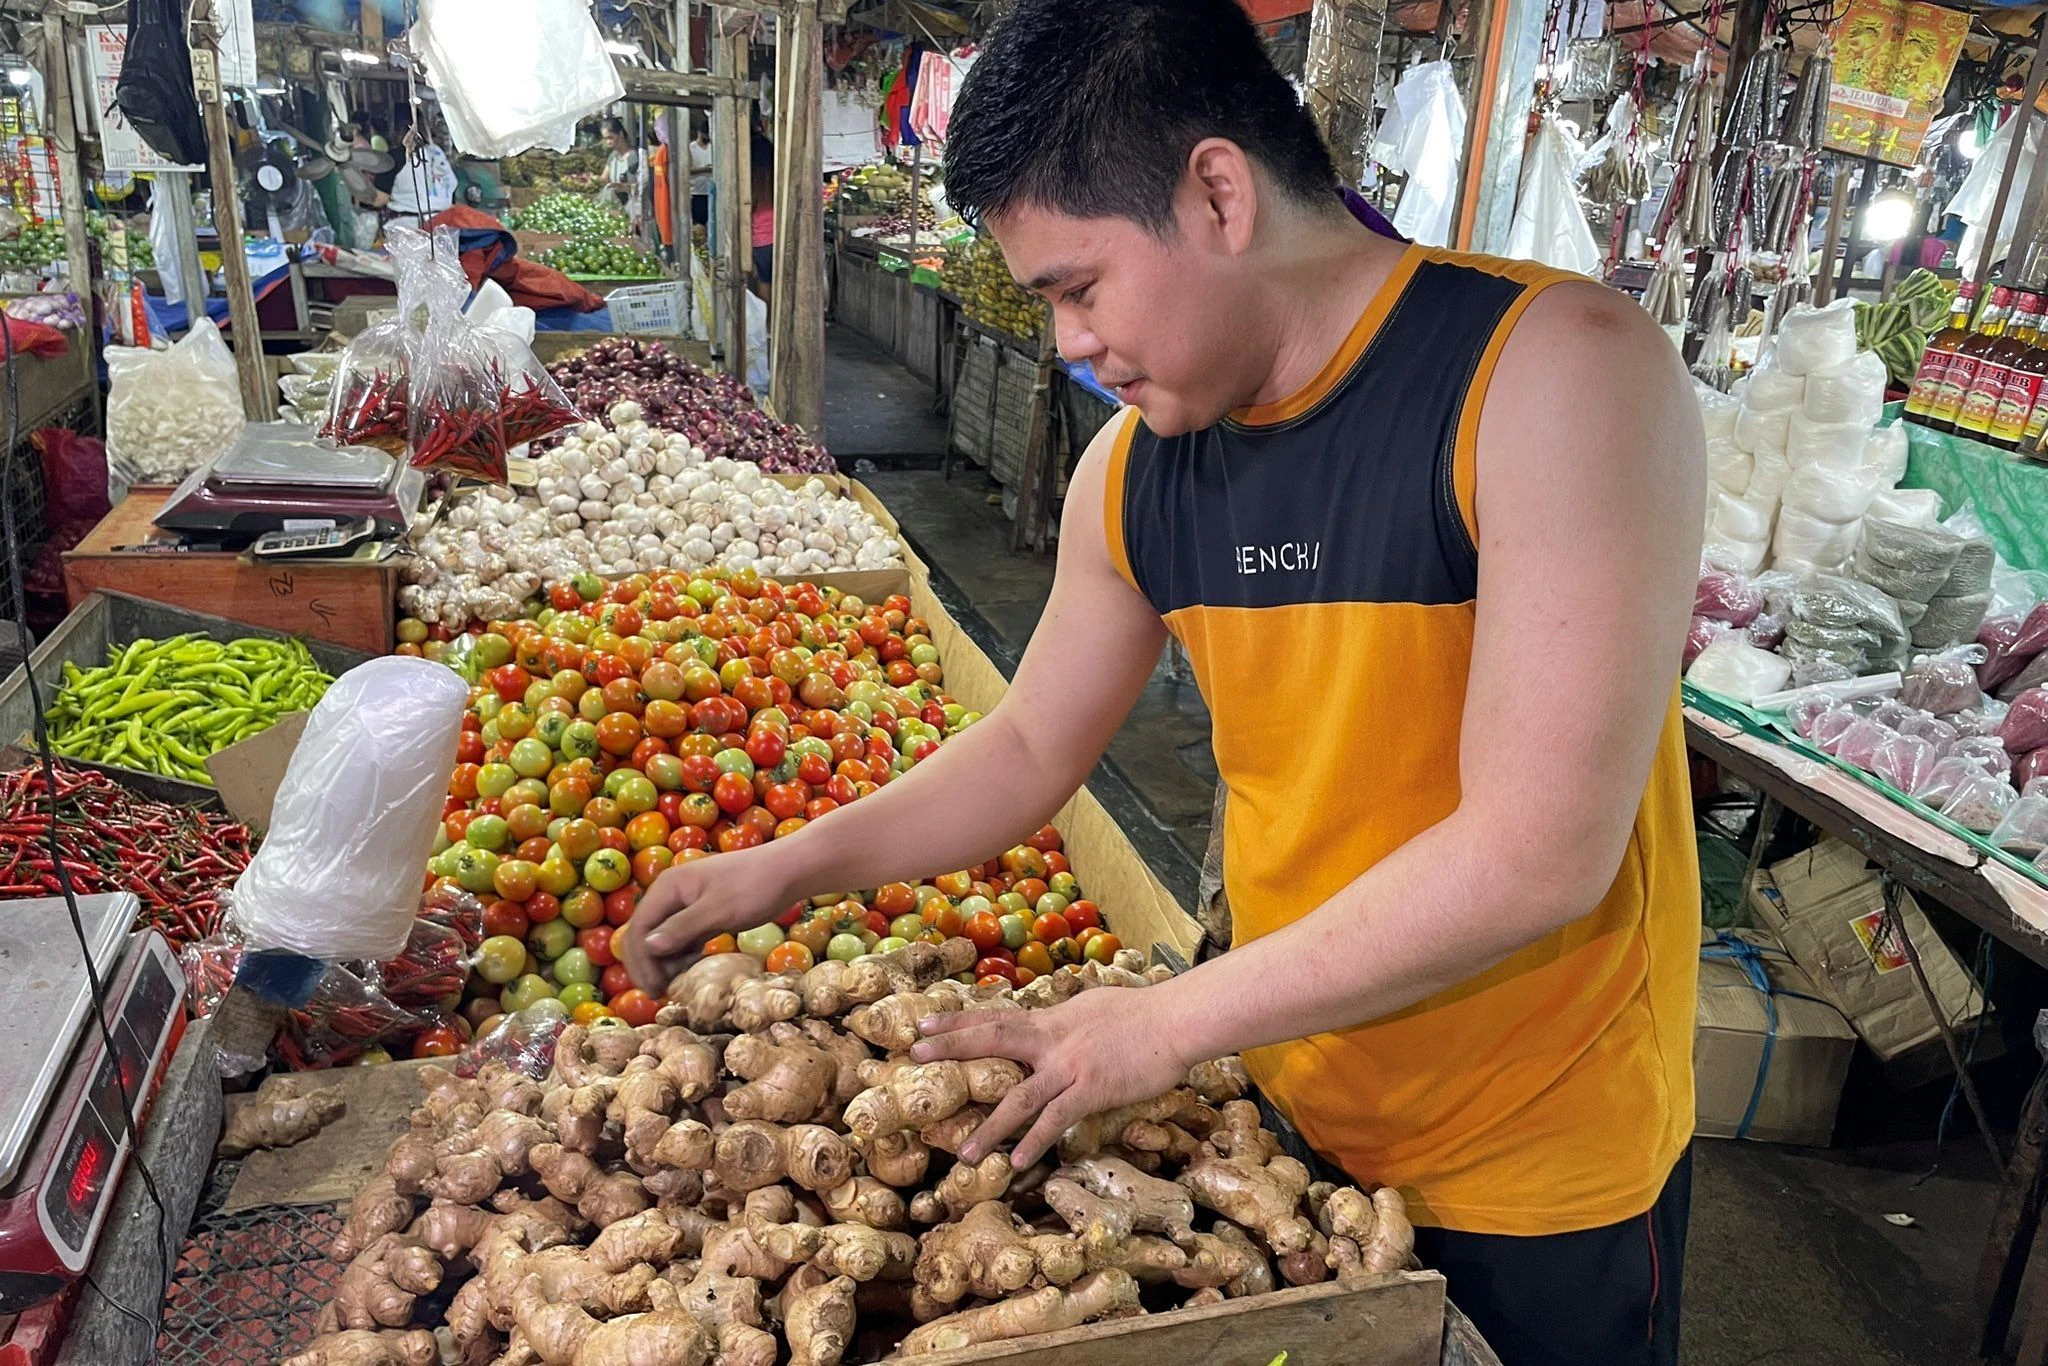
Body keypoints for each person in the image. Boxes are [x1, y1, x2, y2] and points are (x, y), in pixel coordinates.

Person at [618, 1, 1704, 1362]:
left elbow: (1541, 853)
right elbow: (1029, 750)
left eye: (1079, 286)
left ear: (1218, 192)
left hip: (1536, 1168)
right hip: (1285, 1113)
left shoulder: (1552, 376)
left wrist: (1167, 1021)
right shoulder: (1134, 471)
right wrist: (784, 864)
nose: (1069, 342)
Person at [597, 116, 644, 236]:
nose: (608, 142)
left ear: (621, 134)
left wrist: (621, 187)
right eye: (605, 139)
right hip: (616, 210)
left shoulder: (633, 157)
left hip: (632, 211)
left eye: (610, 137)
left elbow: (639, 187)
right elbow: (604, 178)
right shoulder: (613, 157)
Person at [749, 134, 776, 290]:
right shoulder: (777, 176)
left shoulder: (750, 180)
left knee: (764, 281)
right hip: (782, 237)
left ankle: (767, 315)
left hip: (761, 241)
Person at [688, 116, 713, 227]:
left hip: (711, 191)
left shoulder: (712, 146)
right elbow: (687, 169)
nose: (706, 137)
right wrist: (705, 169)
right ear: (699, 132)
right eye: (704, 134)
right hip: (697, 192)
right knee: (699, 226)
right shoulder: (691, 147)